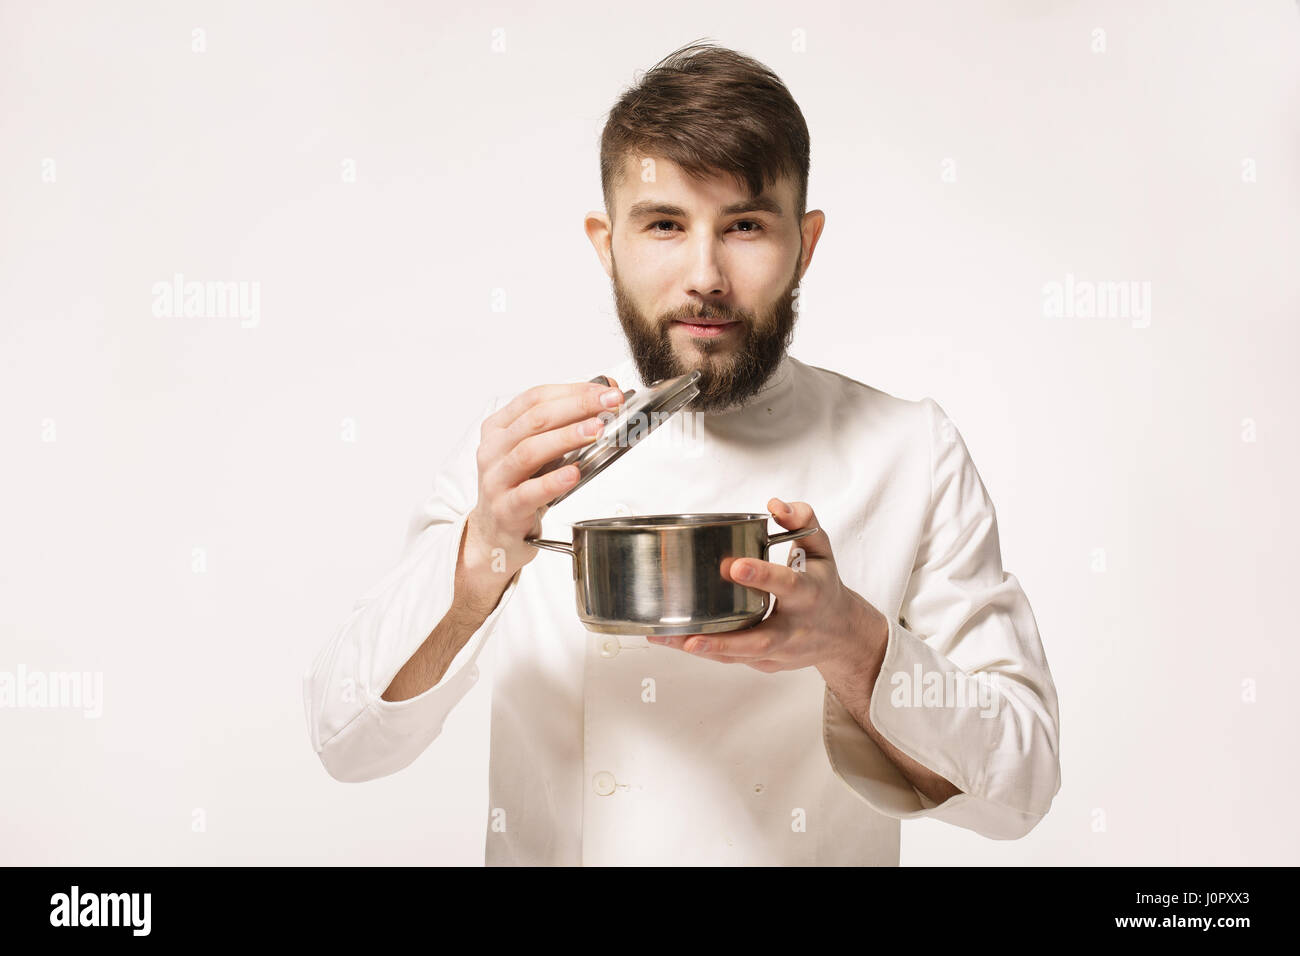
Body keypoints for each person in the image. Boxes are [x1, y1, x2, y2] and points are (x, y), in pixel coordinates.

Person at [302, 40, 1061, 865]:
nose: (705, 275)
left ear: (804, 245)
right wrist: (480, 554)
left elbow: (1021, 788)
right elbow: (347, 741)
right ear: (607, 245)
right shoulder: (522, 453)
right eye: (665, 225)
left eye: (744, 225)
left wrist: (854, 644)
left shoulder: (910, 449)